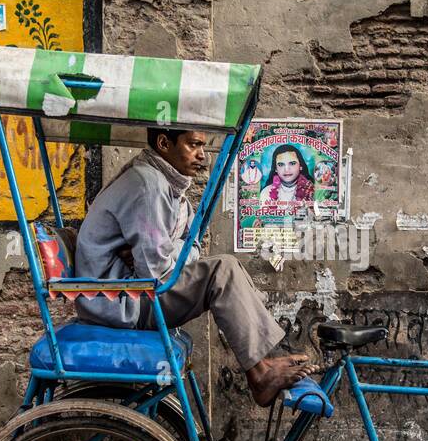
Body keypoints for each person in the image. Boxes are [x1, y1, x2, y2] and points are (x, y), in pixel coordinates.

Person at [72, 127, 310, 407]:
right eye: (194, 145)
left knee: (224, 266)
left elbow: (191, 245)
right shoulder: (147, 185)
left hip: (132, 292)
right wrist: (171, 251)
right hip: (123, 302)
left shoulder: (168, 185)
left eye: (203, 147)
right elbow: (157, 273)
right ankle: (259, 374)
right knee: (222, 270)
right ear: (164, 143)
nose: (203, 157)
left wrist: (169, 249)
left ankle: (262, 365)